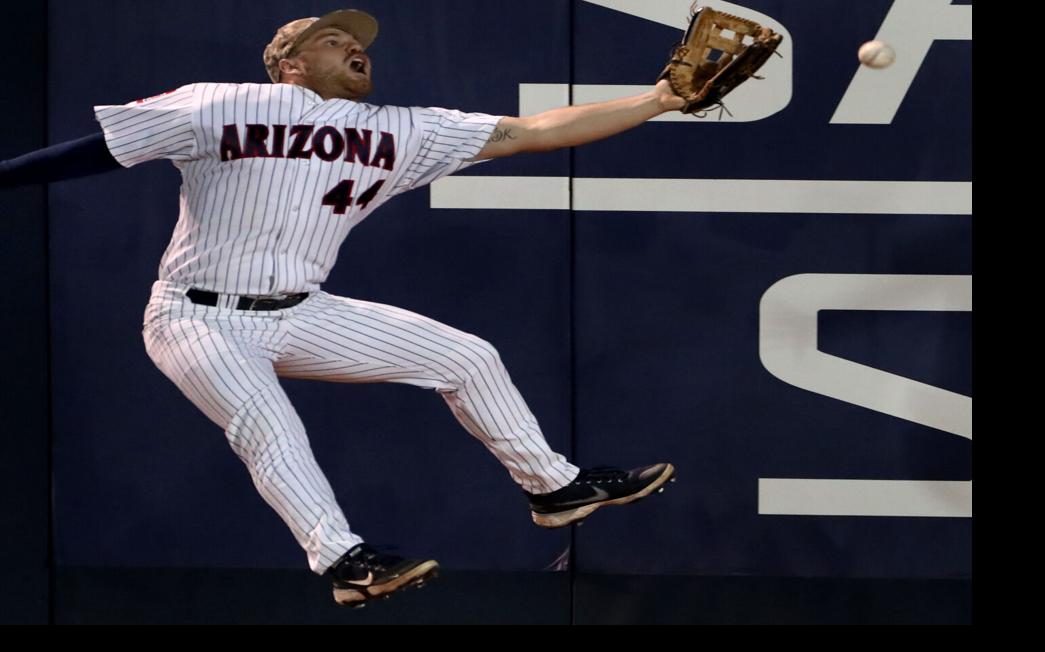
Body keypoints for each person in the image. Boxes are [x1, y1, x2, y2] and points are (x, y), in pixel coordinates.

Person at [1, 8, 681, 608]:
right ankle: (342, 562)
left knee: (466, 356)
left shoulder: (401, 131)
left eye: (360, 44)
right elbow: (99, 152)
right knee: (268, 426)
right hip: (197, 318)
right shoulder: (219, 104)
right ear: (288, 62)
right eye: (333, 38)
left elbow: (533, 131)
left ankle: (554, 489)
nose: (357, 48)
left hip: (300, 312)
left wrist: (657, 99)